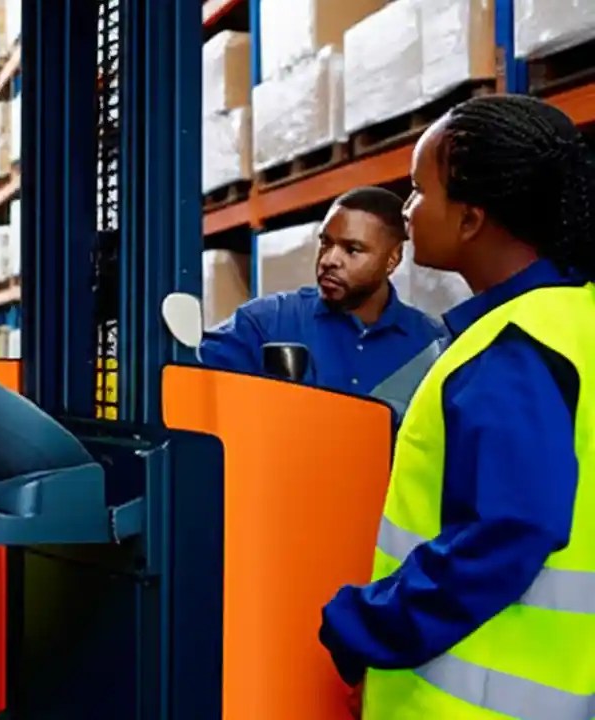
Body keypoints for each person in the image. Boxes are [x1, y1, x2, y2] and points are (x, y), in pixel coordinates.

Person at [319, 94, 595, 719]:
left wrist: (367, 624)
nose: (408, 210)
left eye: (419, 191)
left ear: (472, 220)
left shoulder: (516, 349)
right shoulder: (574, 318)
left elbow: (512, 529)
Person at [199, 187, 446, 394]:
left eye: (352, 250)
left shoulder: (430, 346)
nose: (329, 260)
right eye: (326, 243)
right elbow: (190, 370)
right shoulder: (266, 323)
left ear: (392, 260)